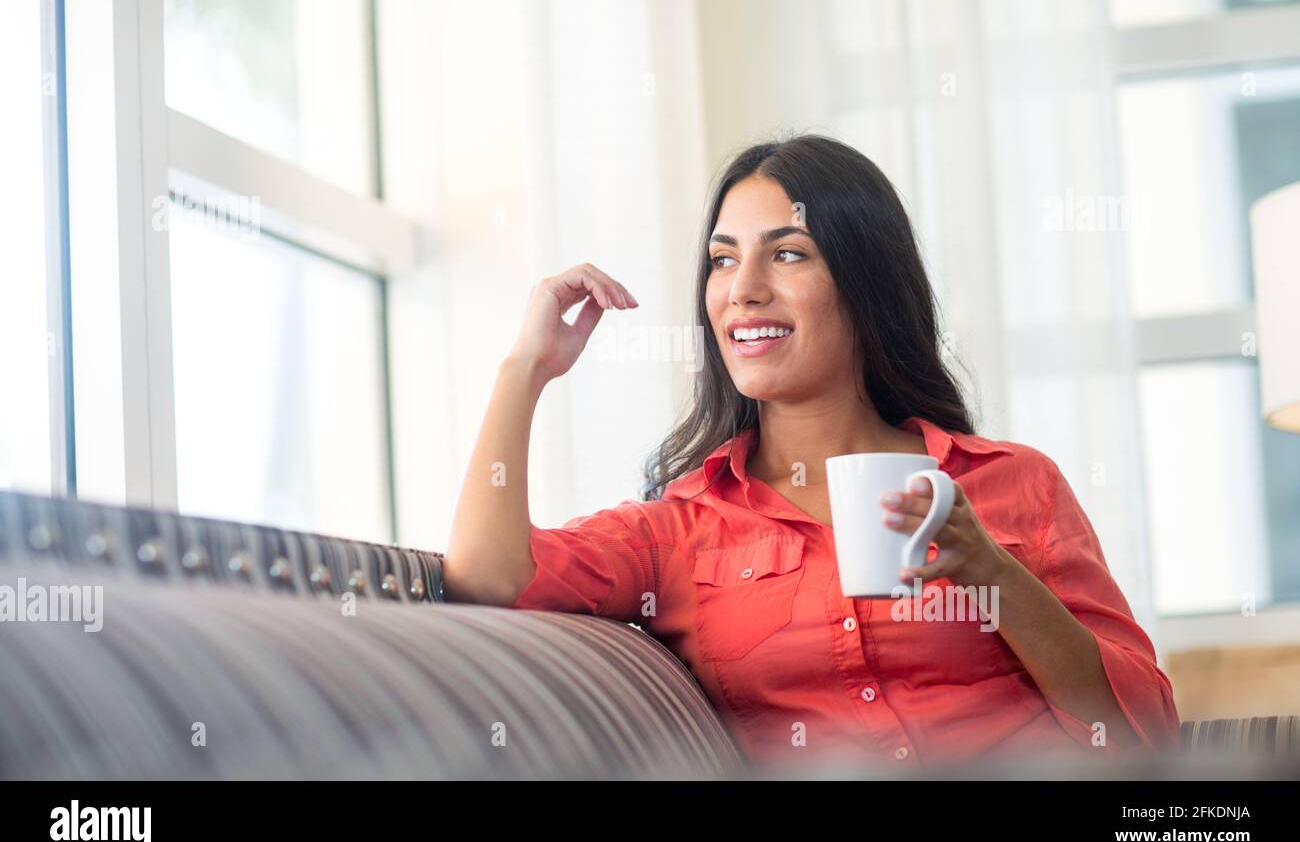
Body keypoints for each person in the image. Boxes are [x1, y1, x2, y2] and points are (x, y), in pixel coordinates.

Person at [442, 133, 1181, 773]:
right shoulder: (680, 530)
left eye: (788, 255)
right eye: (723, 261)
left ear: (865, 285)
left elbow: (1141, 732)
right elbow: (487, 577)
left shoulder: (1011, 483)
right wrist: (525, 370)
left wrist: (992, 574)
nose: (744, 290)